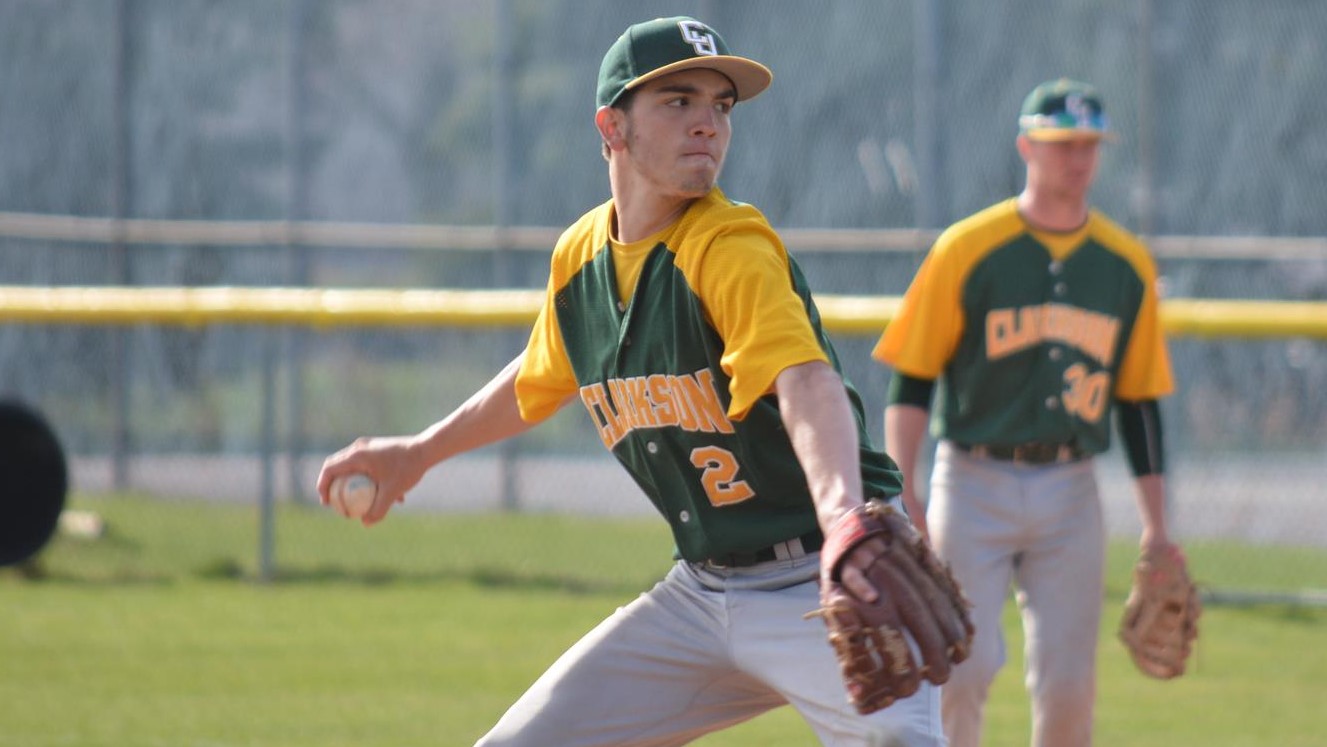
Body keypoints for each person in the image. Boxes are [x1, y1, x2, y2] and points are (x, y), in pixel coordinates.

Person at [319, 16, 947, 747]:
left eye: (720, 105)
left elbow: (804, 381)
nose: (707, 123)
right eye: (678, 101)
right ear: (611, 126)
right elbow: (539, 376)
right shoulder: (582, 256)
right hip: (700, 595)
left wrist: (842, 517)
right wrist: (418, 452)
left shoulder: (728, 244)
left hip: (829, 574)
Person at [871, 78, 1183, 747]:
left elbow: (1138, 401)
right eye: (1062, 143)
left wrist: (1157, 527)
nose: (1078, 158)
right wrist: (903, 490)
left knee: (1069, 682)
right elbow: (913, 378)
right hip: (972, 480)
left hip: (1071, 488)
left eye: (1088, 145)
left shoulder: (1125, 263)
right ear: (1027, 148)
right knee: (960, 664)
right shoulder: (966, 247)